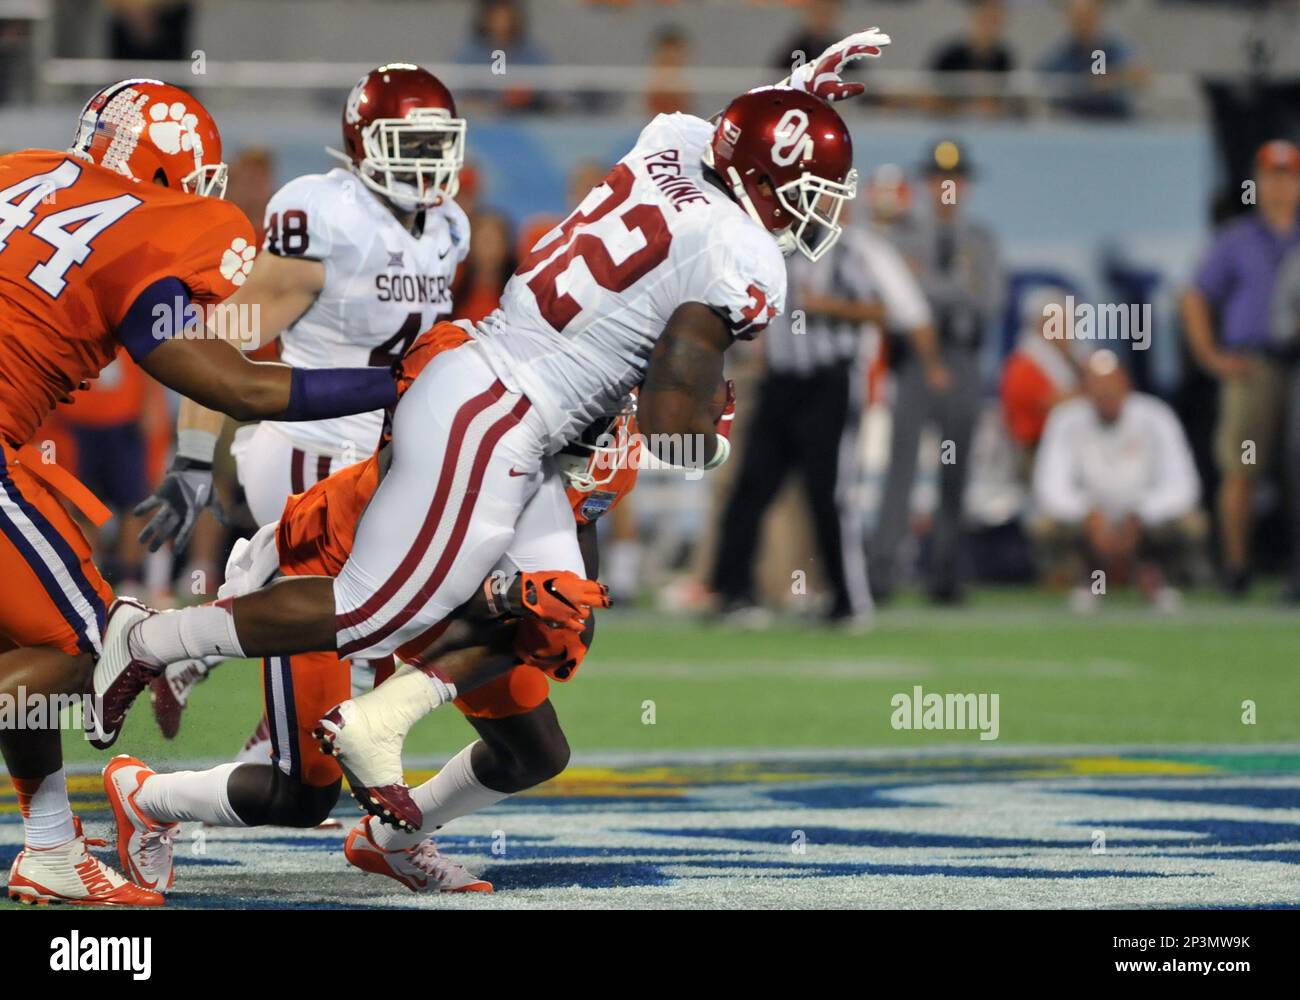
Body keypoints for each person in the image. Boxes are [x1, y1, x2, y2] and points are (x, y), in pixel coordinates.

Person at [92, 31, 893, 835]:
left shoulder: (673, 140)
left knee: (557, 613)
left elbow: (724, 137)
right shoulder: (741, 251)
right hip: (488, 413)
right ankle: (159, 637)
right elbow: (670, 415)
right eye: (814, 188)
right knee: (370, 612)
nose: (824, 206)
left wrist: (794, 91)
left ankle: (386, 777)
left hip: (493, 402)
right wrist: (704, 434)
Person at [0, 80, 405, 905]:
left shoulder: (22, 170)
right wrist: (395, 384)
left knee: (30, 644)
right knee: (88, 649)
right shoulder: (170, 222)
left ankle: (48, 847)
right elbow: (234, 384)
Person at [105, 323, 629, 895]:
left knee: (536, 750)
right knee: (302, 794)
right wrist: (509, 596)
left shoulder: (617, 430)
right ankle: (147, 795)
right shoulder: (470, 374)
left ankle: (390, 841)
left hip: (444, 591)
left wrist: (564, 606)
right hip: (336, 568)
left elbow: (579, 527)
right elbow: (425, 543)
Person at [142, 64, 472, 770]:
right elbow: (222, 339)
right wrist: (194, 457)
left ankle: (199, 653)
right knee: (366, 622)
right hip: (309, 449)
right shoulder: (326, 213)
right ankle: (265, 742)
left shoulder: (449, 227)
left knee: (370, 620)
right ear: (362, 143)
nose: (426, 162)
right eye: (408, 144)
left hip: (382, 455)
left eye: (435, 144)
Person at [711, 200, 932, 628]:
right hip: (780, 382)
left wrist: (827, 305)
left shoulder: (848, 252)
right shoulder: (771, 248)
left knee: (829, 494)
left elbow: (882, 311)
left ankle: (849, 600)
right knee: (750, 488)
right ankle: (732, 593)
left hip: (828, 383)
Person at [871, 139, 1004, 604]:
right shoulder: (902, 236)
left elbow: (987, 301)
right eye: (939, 179)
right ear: (928, 184)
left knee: (956, 470)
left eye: (955, 180)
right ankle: (881, 573)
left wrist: (926, 286)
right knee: (901, 469)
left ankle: (946, 574)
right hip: (914, 361)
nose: (947, 187)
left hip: (963, 357)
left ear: (964, 185)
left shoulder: (981, 240)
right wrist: (946, 290)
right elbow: (896, 298)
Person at [1181, 139, 1300, 595]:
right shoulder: (1237, 239)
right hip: (1254, 367)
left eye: (1287, 177)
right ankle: (1236, 567)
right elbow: (1195, 296)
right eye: (1271, 176)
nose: (1279, 187)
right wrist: (1211, 356)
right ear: (1257, 182)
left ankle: (1293, 570)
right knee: (1242, 468)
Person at [1032, 351, 1205, 610]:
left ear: (1126, 384)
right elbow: (1049, 486)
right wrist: (1089, 514)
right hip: (1089, 523)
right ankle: (1088, 574)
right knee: (1043, 525)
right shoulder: (1065, 420)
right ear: (1085, 388)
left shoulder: (1157, 417)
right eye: (1097, 385)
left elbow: (1183, 484)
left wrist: (1139, 515)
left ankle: (1156, 572)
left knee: (1192, 524)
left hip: (1144, 522)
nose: (1105, 393)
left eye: (1111, 385)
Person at [1037, 0, 1147, 120]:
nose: (1083, 24)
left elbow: (1138, 73)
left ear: (1097, 18)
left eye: (1088, 18)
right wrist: (1085, 85)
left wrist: (1107, 81)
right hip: (1076, 121)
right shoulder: (1064, 52)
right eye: (1078, 19)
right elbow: (1041, 77)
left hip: (1115, 119)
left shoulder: (1114, 46)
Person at [928, 0, 1016, 117]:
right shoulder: (950, 55)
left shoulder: (1003, 58)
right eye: (985, 20)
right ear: (974, 19)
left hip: (989, 122)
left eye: (994, 21)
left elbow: (1007, 95)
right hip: (950, 117)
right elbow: (930, 91)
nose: (989, 26)